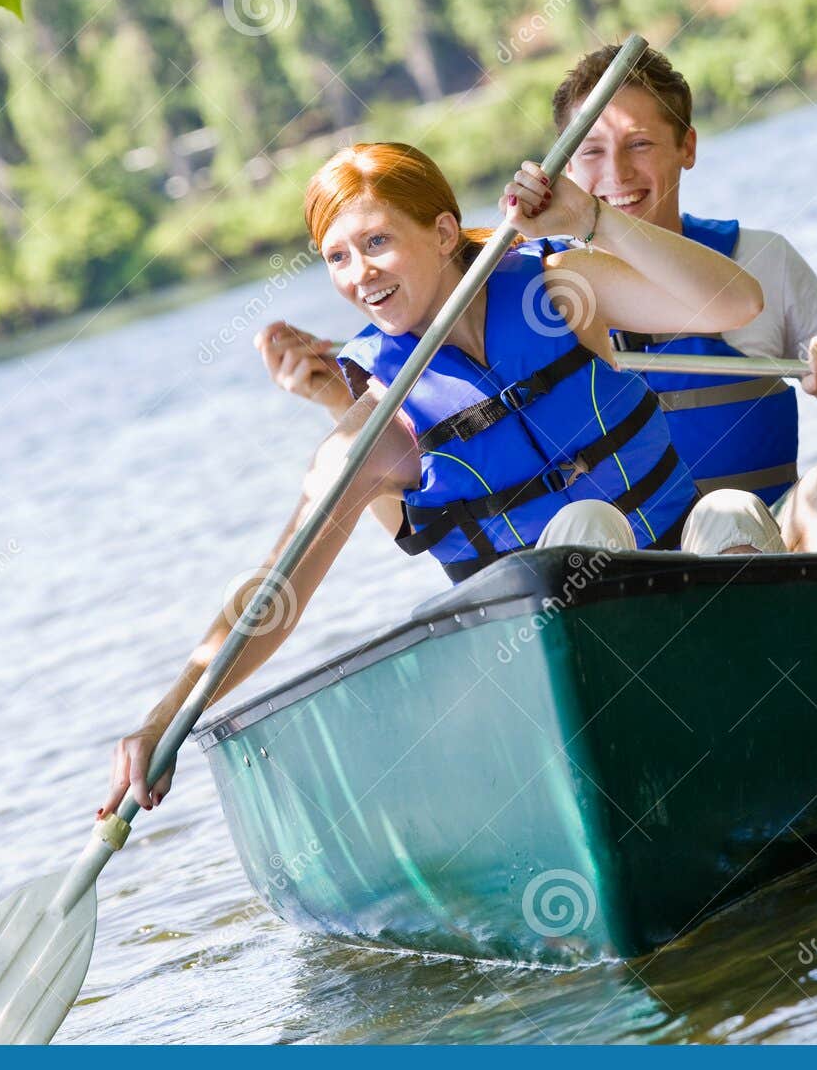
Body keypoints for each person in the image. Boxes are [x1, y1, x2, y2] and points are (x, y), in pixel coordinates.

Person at [103, 141, 762, 813]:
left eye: (377, 241)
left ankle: (757, 716)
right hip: (554, 684)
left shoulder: (560, 289)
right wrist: (165, 720)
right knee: (582, 534)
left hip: (692, 611)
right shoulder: (375, 432)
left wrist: (593, 217)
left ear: (444, 232)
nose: (359, 274)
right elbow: (276, 594)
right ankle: (632, 777)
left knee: (732, 511)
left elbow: (735, 303)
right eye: (337, 256)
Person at [258, 45, 817, 554]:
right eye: (593, 152)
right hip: (621, 568)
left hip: (767, 553)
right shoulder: (544, 297)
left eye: (640, 145)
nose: (617, 175)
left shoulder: (759, 263)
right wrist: (339, 398)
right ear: (565, 172)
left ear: (686, 148)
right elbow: (412, 492)